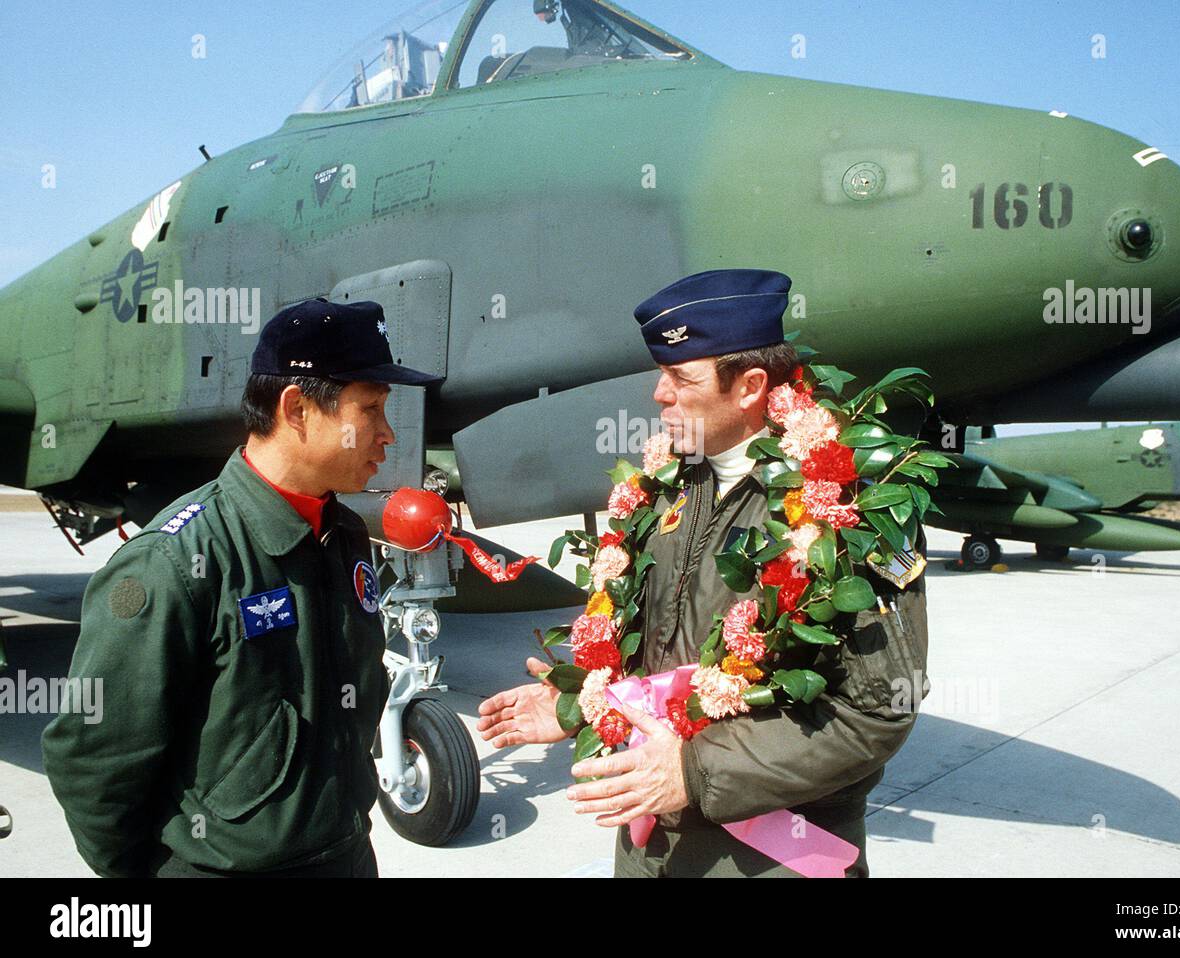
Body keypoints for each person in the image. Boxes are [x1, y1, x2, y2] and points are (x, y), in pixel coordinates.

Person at [477, 268, 930, 877]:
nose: (659, 395)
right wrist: (578, 701)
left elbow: (876, 711)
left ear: (750, 386)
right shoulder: (665, 491)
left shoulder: (845, 509)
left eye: (680, 378)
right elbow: (658, 656)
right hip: (651, 841)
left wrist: (694, 773)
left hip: (768, 855)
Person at [42, 298, 441, 877]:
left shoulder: (345, 536)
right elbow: (94, 756)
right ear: (297, 409)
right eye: (371, 408)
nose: (387, 434)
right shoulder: (173, 561)